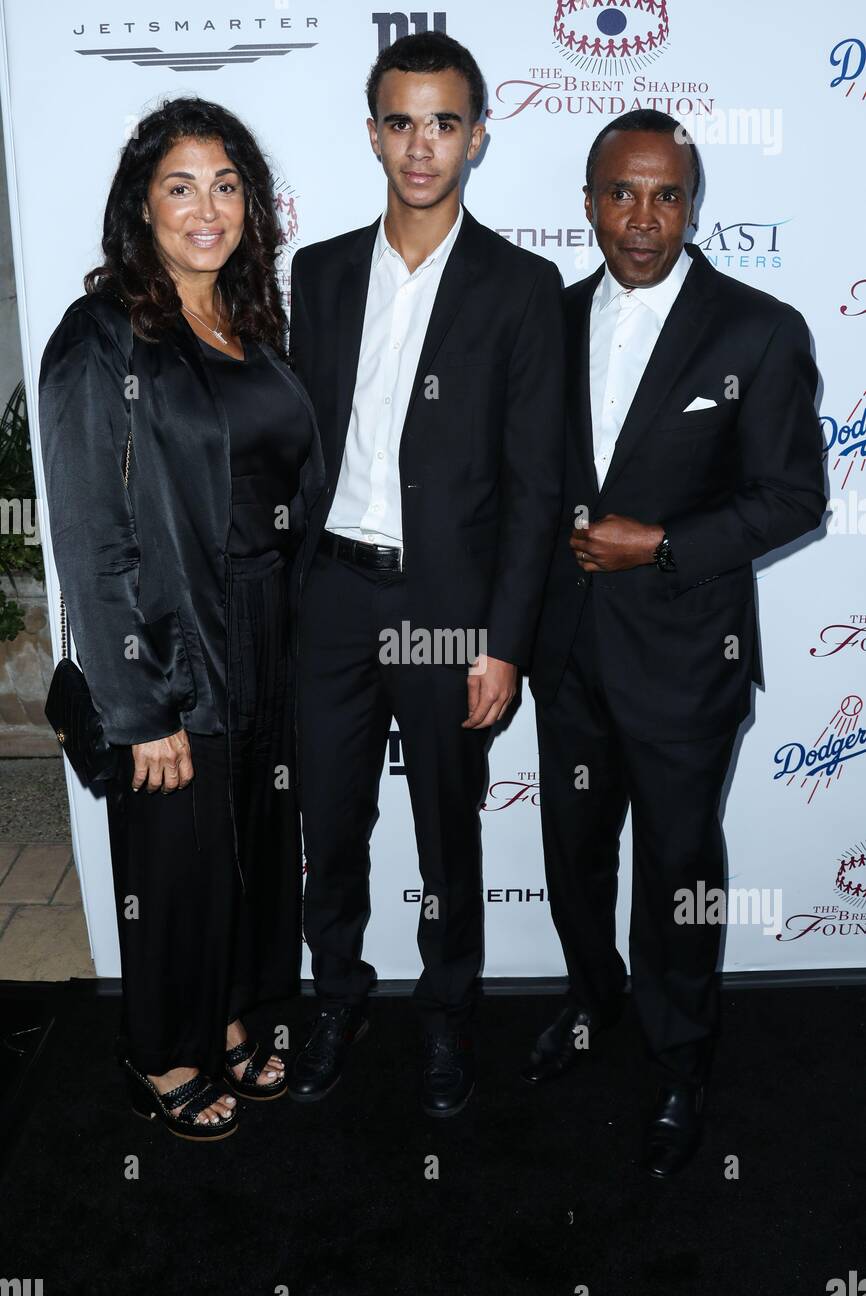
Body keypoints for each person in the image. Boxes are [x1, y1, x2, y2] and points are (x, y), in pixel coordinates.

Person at [526, 109, 826, 1175]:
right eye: (619, 193)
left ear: (693, 205)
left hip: (687, 662)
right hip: (562, 655)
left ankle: (679, 1055)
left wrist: (658, 545)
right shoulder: (546, 321)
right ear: (588, 204)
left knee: (677, 870)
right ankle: (589, 1000)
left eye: (664, 195)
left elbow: (794, 497)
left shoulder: (756, 329)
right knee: (570, 856)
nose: (640, 218)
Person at [287, 32, 565, 1116]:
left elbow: (534, 489)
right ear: (372, 133)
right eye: (400, 121)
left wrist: (501, 640)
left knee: (448, 824)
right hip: (330, 595)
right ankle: (337, 993)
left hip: (448, 607)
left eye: (442, 122)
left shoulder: (520, 286)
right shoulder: (317, 274)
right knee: (329, 818)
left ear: (476, 136)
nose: (420, 145)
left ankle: (446, 1012)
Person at [39, 97, 325, 1140]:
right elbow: (88, 533)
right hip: (168, 644)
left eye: (226, 183)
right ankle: (164, 1052)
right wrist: (137, 702)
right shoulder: (101, 336)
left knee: (252, 839)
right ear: (141, 205)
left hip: (267, 630)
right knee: (175, 867)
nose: (207, 207)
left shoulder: (248, 318)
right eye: (180, 185)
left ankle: (238, 1012)